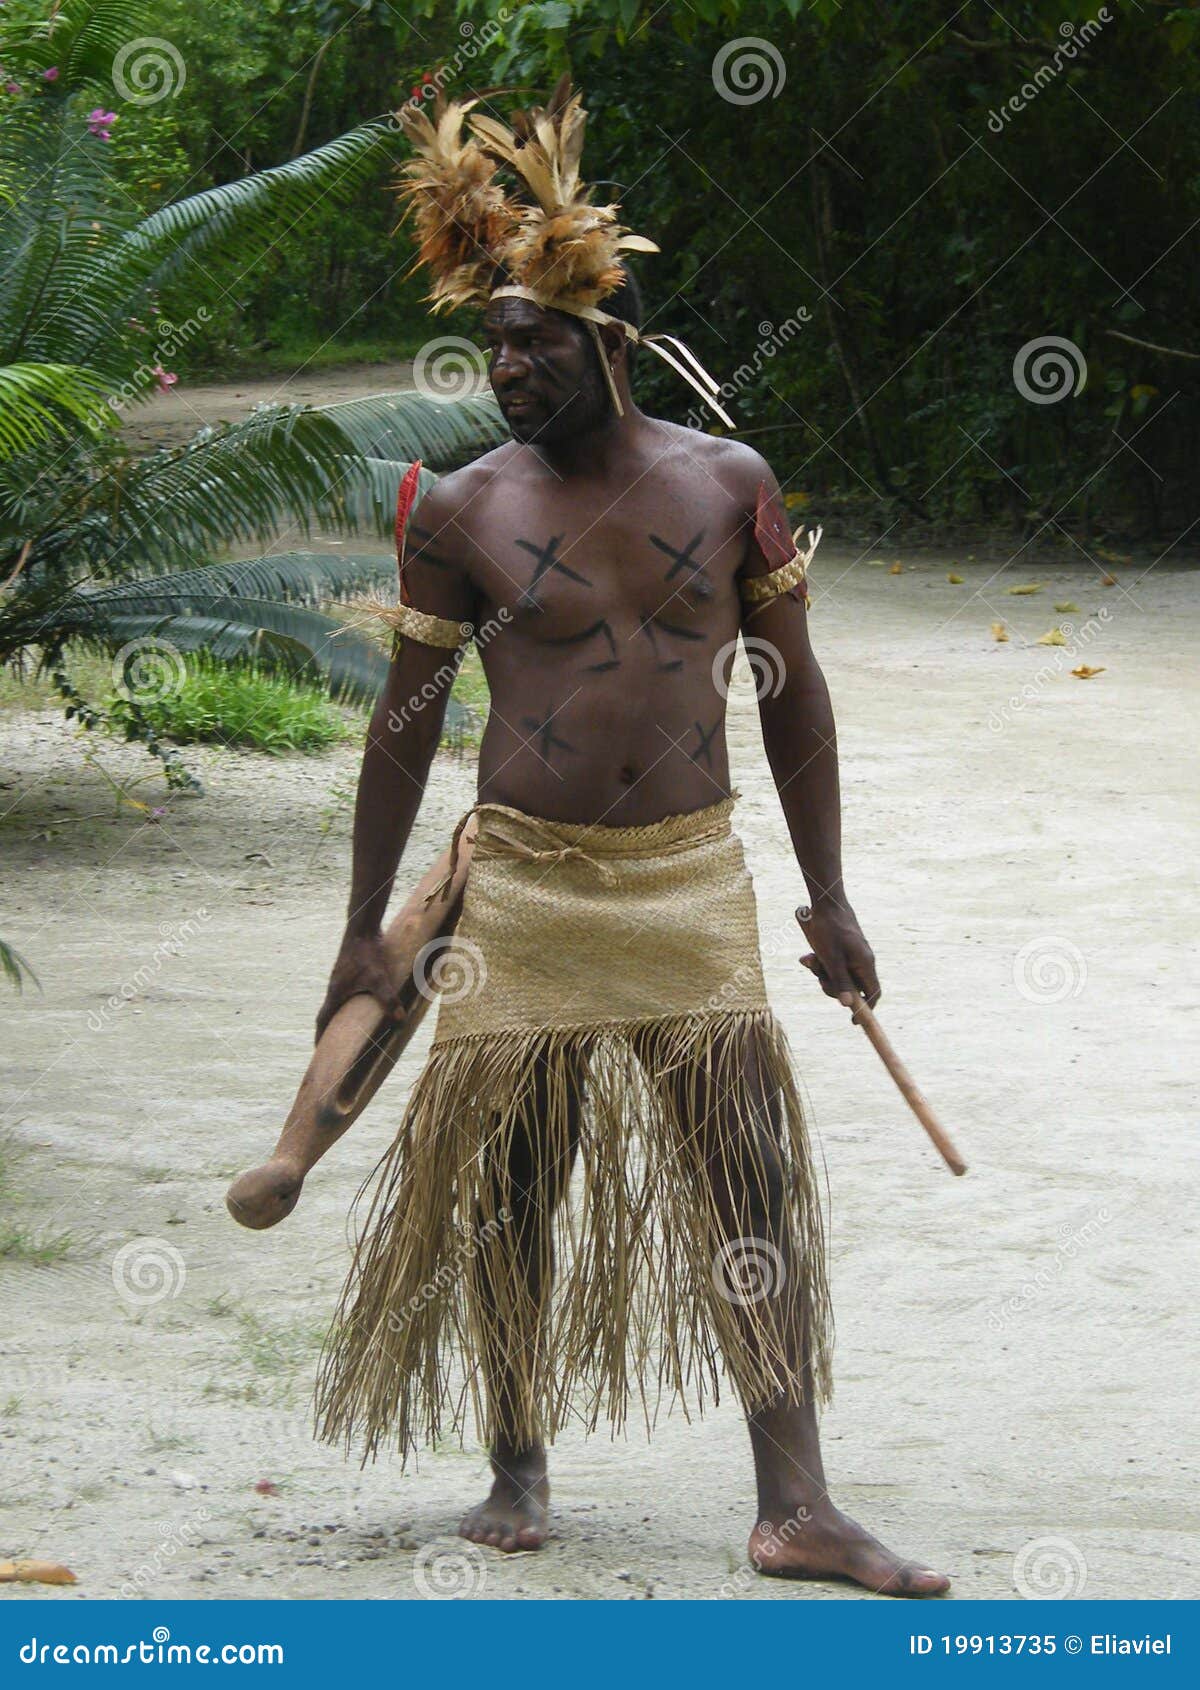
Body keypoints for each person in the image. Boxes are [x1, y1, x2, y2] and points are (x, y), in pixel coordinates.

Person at [312, 81, 949, 1598]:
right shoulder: (459, 509)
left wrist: (832, 891)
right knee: (517, 1176)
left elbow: (796, 697)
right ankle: (517, 1467)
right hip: (526, 884)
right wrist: (360, 925)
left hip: (690, 882)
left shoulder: (730, 485)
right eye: (494, 342)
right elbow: (403, 723)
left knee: (749, 1179)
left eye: (534, 339)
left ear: (614, 341)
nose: (506, 365)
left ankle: (795, 1504)